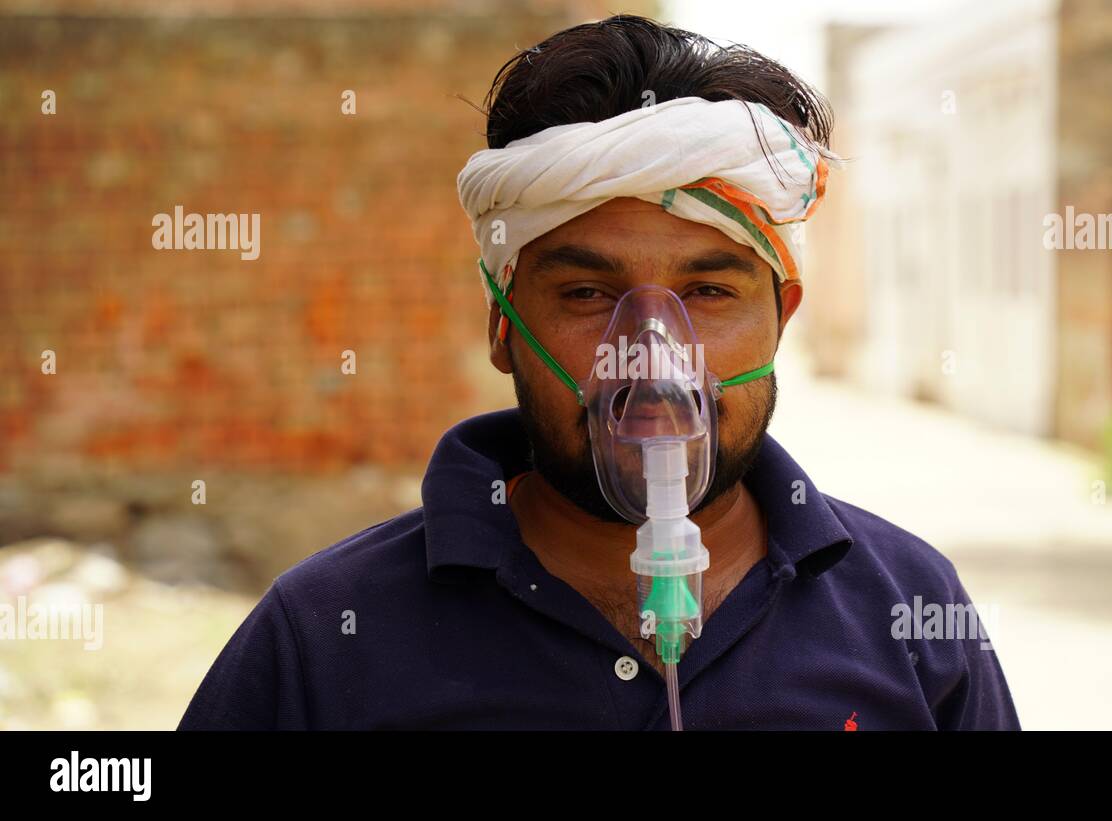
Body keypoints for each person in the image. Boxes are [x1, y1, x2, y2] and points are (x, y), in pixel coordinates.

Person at [178, 13, 1019, 731]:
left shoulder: (908, 610)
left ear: (781, 315)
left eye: (709, 290)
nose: (652, 356)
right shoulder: (325, 638)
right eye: (588, 292)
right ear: (504, 324)